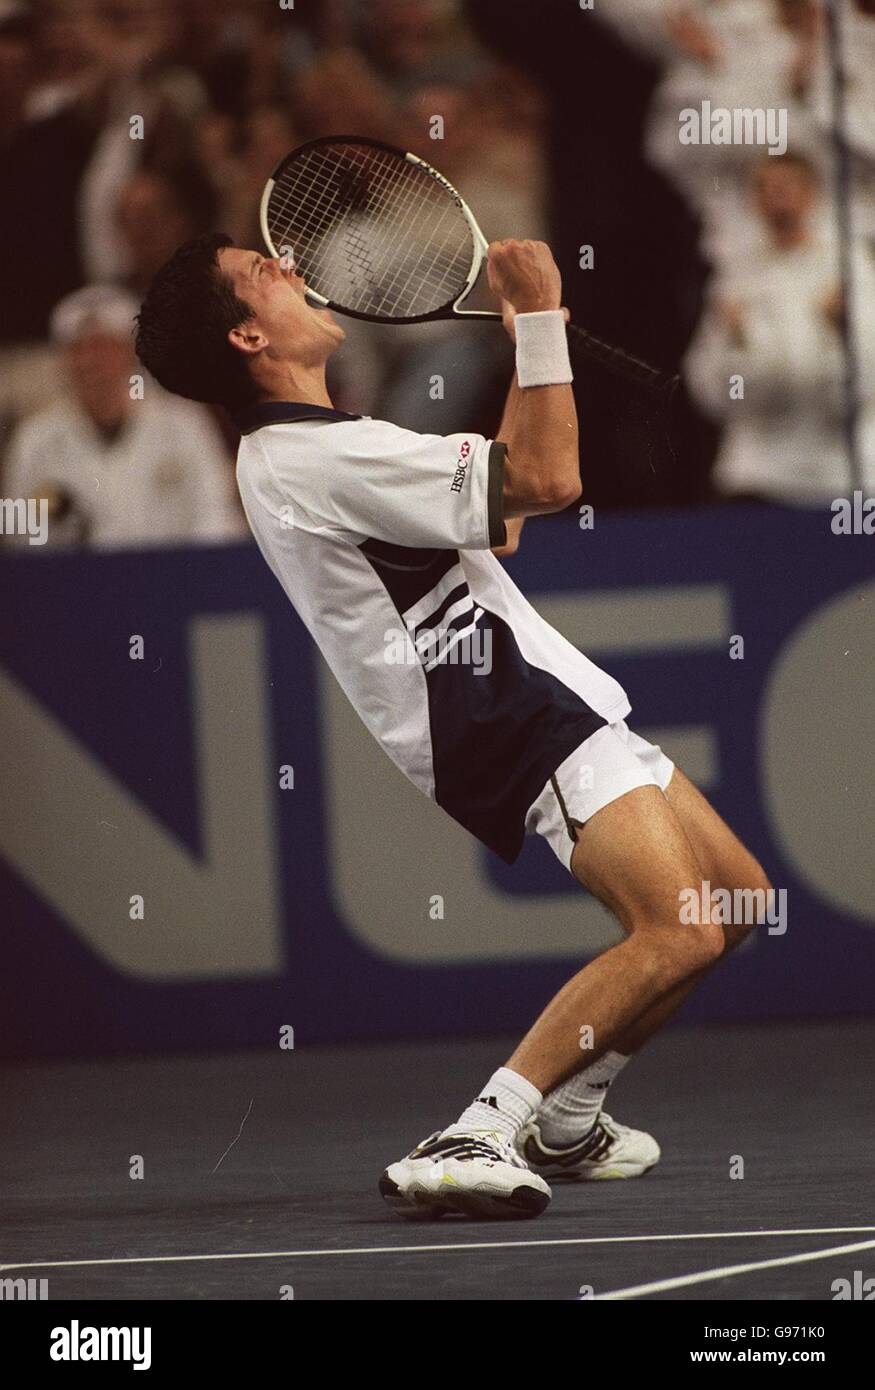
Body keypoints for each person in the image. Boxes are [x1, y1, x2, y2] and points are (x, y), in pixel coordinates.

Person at [134, 232, 771, 1220]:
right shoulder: (323, 454)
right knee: (679, 927)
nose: (293, 268)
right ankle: (479, 1125)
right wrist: (547, 318)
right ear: (249, 332)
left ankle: (569, 1113)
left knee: (733, 901)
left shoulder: (309, 449)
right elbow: (550, 482)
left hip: (528, 692)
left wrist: (525, 347)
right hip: (498, 703)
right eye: (265, 270)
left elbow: (502, 512)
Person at [685, 153, 875, 504]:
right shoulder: (735, 278)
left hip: (840, 476)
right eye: (763, 188)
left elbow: (864, 387)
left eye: (785, 187)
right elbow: (707, 392)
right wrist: (737, 346)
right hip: (757, 475)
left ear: (811, 194)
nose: (775, 198)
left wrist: (839, 335)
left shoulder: (851, 271)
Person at [4, 285, 243, 549]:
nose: (90, 361)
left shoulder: (182, 423)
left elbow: (218, 517)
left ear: (130, 352)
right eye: (77, 349)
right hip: (75, 585)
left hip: (175, 579)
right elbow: (18, 538)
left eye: (102, 347)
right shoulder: (35, 439)